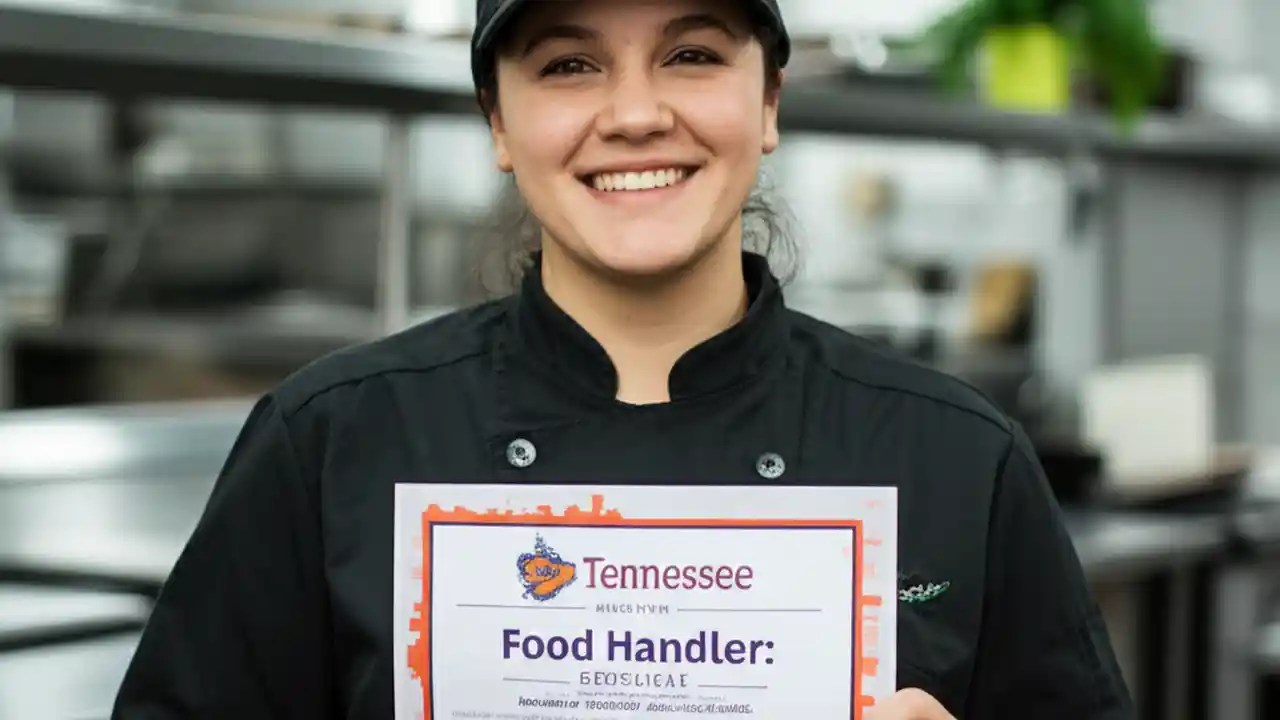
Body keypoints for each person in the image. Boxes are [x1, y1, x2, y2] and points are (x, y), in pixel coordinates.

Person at [112, 0, 1133, 718]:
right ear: (498, 122)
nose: (636, 112)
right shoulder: (330, 442)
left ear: (767, 101)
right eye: (568, 63)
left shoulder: (957, 457)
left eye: (691, 53)